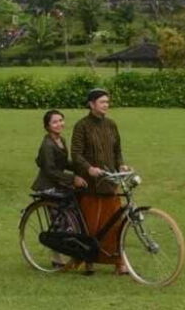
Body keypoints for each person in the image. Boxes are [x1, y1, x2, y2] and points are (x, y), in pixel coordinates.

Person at [71, 89, 129, 275]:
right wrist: (89, 168)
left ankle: (118, 262)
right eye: (102, 102)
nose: (106, 105)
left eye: (107, 102)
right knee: (91, 224)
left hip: (110, 182)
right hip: (91, 185)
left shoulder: (111, 125)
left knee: (115, 224)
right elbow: (76, 154)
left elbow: (117, 150)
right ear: (91, 104)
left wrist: (121, 165)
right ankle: (89, 260)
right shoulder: (82, 126)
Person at [31, 110, 87, 192]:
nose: (59, 124)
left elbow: (62, 162)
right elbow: (50, 170)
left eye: (61, 121)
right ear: (47, 126)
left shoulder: (61, 140)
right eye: (54, 122)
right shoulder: (47, 145)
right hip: (47, 186)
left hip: (58, 181)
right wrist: (73, 179)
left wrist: (83, 166)